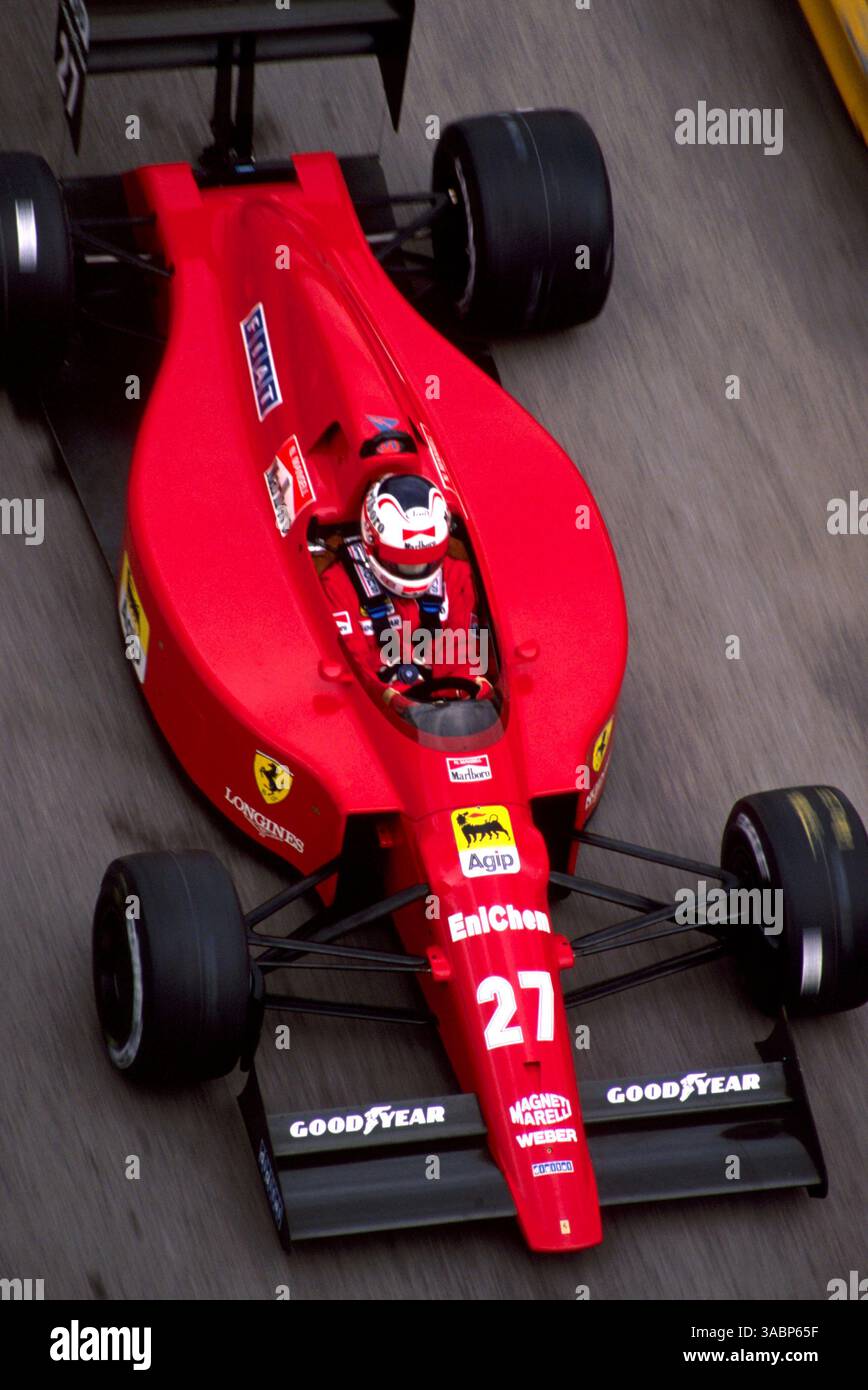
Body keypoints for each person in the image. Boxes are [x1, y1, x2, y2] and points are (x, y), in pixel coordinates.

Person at [320, 473, 491, 696]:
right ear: (372, 544)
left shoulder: (457, 576)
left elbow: (466, 657)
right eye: (404, 562)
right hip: (380, 715)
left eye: (427, 558)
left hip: (442, 714)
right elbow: (354, 672)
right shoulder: (338, 585)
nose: (417, 569)